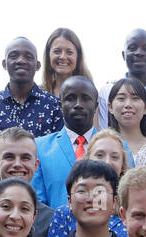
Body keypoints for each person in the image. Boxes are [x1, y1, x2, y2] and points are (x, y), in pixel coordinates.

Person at [43, 130, 132, 237]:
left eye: (114, 157)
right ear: (87, 159)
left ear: (122, 166)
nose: (107, 162)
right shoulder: (65, 214)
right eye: (99, 155)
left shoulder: (131, 211)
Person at [31, 76, 100, 209]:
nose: (78, 104)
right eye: (70, 98)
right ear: (60, 105)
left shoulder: (116, 147)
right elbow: (36, 203)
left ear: (96, 106)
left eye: (86, 98)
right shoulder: (39, 148)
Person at [0, 127, 56, 237]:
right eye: (9, 157)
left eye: (25, 158)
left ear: (36, 165)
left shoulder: (49, 218)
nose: (17, 164)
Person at [0, 37, 63, 138]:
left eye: (28, 57)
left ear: (37, 65)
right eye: (14, 56)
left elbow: (59, 146)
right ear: (4, 64)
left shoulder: (54, 105)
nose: (21, 61)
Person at [97, 29, 146, 135]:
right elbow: (102, 131)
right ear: (123, 54)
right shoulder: (107, 91)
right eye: (132, 48)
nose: (139, 52)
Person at [107, 77, 146, 160]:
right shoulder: (102, 147)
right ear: (110, 107)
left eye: (135, 99)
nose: (128, 105)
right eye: (121, 99)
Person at [41, 27, 93, 97]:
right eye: (57, 51)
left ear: (78, 56)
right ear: (48, 55)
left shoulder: (90, 92)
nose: (63, 57)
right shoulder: (38, 93)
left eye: (69, 52)